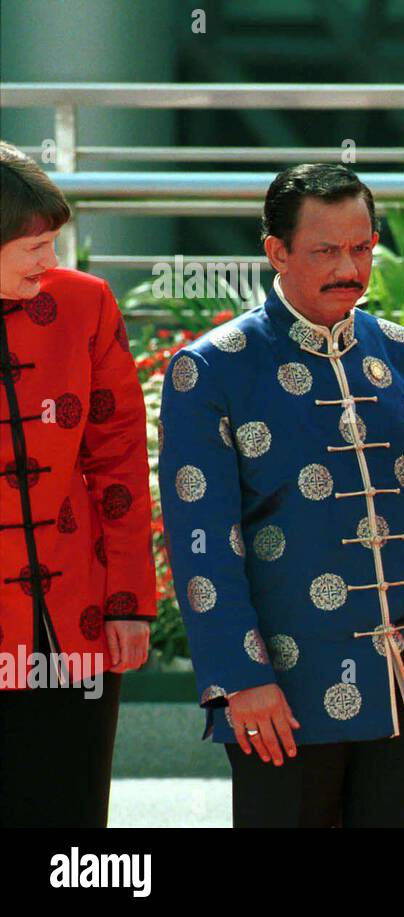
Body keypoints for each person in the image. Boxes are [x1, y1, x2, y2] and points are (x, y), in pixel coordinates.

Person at [158, 163, 404, 827]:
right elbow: (202, 542)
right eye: (327, 250)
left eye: (362, 248)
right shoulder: (211, 367)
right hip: (281, 698)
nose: (350, 268)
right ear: (276, 251)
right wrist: (241, 679)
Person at [0, 141, 155, 827]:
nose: (52, 261)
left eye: (54, 240)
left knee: (70, 812)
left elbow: (119, 460)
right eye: (33, 245)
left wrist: (128, 602)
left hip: (72, 611)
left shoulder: (85, 304)